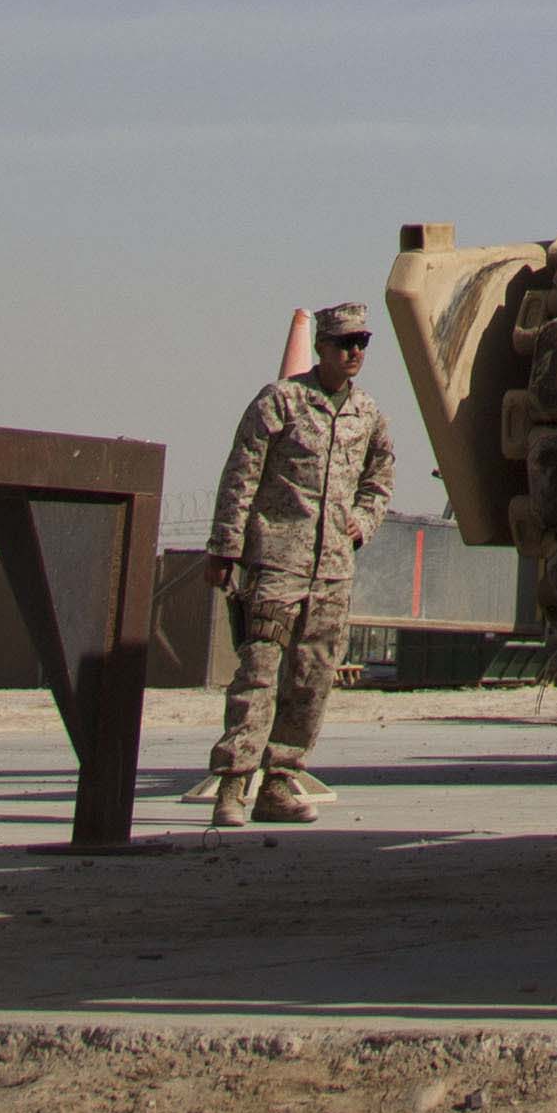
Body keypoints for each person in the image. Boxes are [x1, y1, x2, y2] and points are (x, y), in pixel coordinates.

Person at [202, 301, 395, 826]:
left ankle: (280, 783)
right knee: (259, 674)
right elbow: (241, 475)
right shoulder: (281, 402)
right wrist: (225, 548)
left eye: (363, 343)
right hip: (276, 562)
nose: (355, 352)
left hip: (333, 569)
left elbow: (380, 478)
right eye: (345, 343)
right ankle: (233, 785)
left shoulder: (368, 414)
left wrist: (364, 520)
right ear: (322, 348)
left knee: (313, 679)